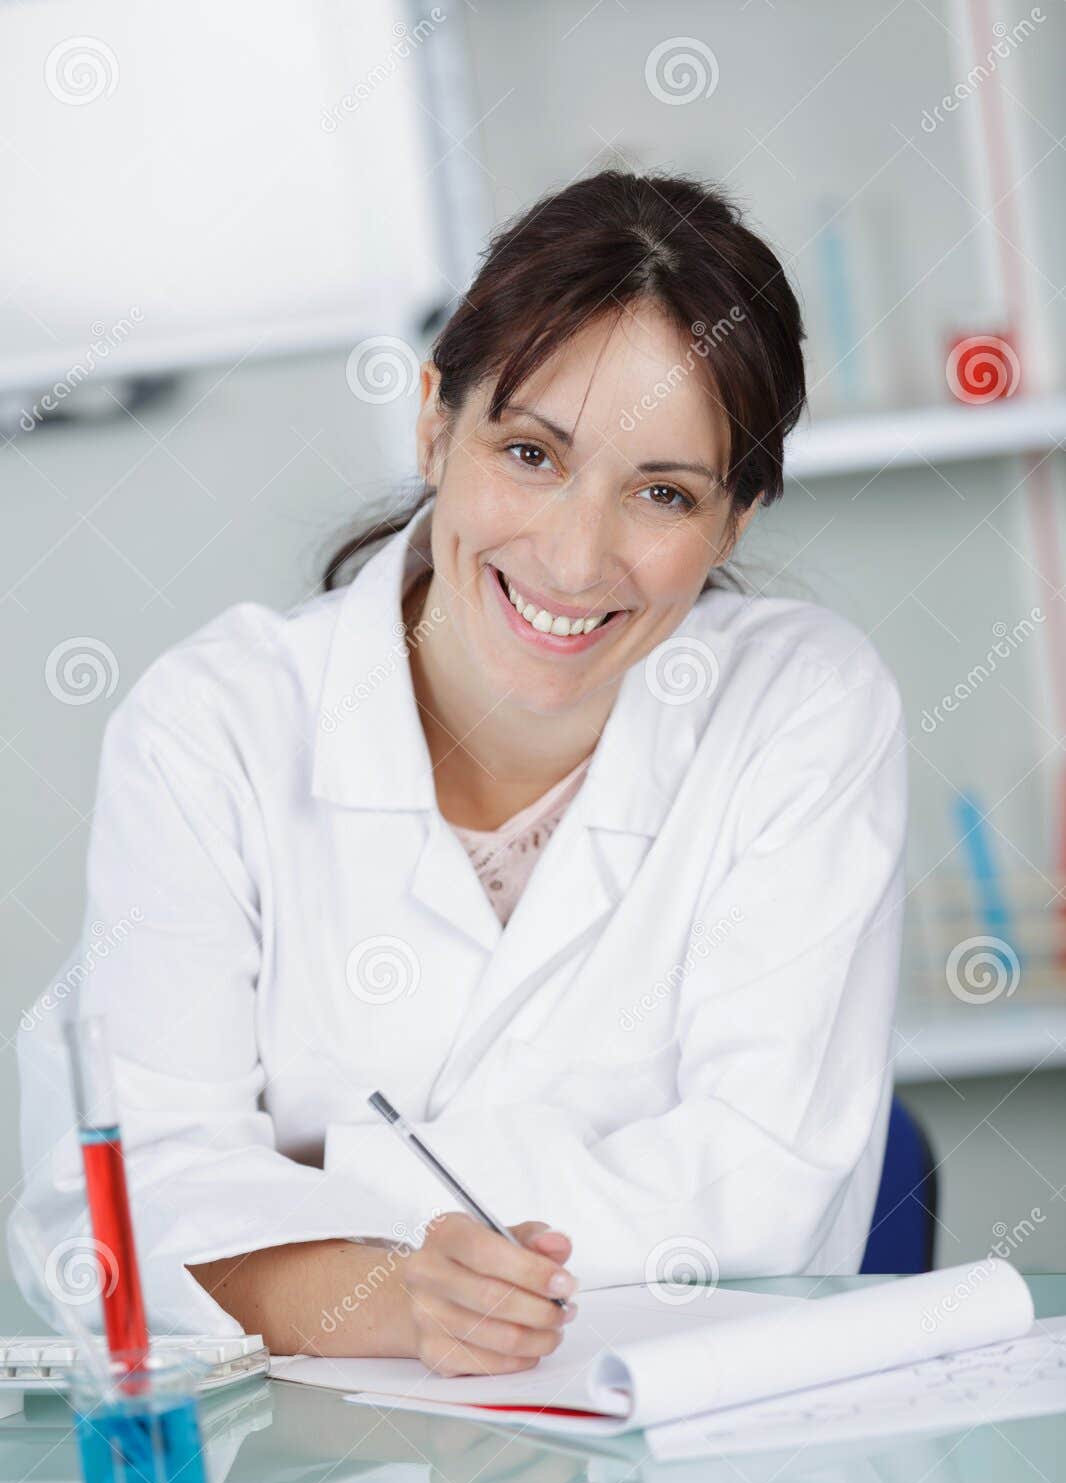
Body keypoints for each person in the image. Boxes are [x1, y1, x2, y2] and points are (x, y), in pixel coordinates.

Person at [13, 169, 907, 1376]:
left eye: (662, 492)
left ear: (733, 520)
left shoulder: (800, 707)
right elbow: (119, 1220)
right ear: (435, 422)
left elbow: (767, 1195)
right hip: (312, 1463)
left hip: (689, 1443)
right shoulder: (213, 728)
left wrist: (320, 1183)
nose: (575, 558)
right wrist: (401, 1301)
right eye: (531, 453)